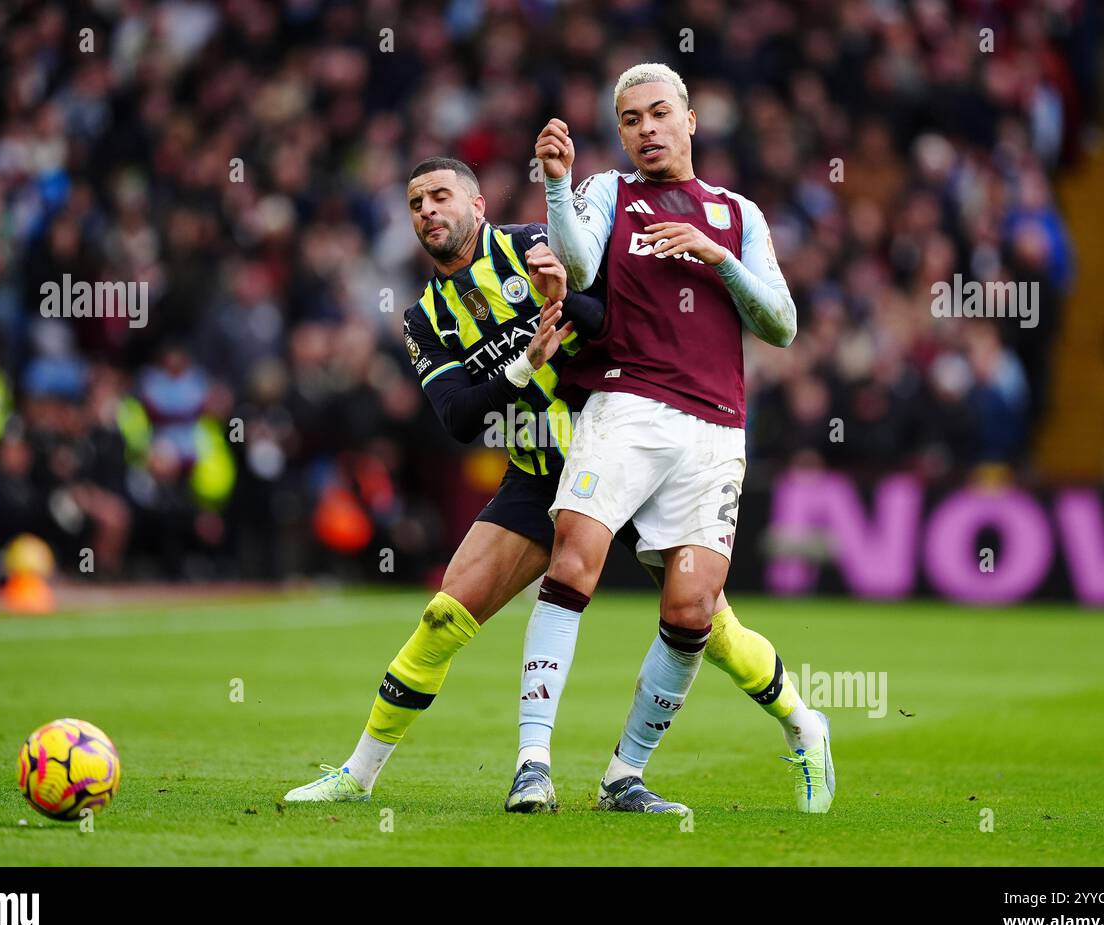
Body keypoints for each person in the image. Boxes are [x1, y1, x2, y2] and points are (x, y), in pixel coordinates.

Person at [284, 156, 820, 812]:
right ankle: (358, 776)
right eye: (416, 201)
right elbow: (457, 417)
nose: (427, 210)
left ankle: (800, 722)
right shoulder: (426, 316)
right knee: (443, 616)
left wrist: (563, 299)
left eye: (441, 196)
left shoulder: (533, 247)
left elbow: (614, 323)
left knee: (703, 623)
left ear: (477, 206)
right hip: (538, 477)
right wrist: (522, 365)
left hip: (624, 461)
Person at [518, 62, 834, 814]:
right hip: (625, 405)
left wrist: (717, 258)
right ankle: (533, 763)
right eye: (631, 120)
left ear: (690, 120)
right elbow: (582, 265)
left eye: (660, 113)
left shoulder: (735, 213)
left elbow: (782, 327)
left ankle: (624, 776)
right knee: (573, 561)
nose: (647, 129)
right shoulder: (606, 192)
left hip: (714, 429)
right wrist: (558, 186)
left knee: (693, 612)